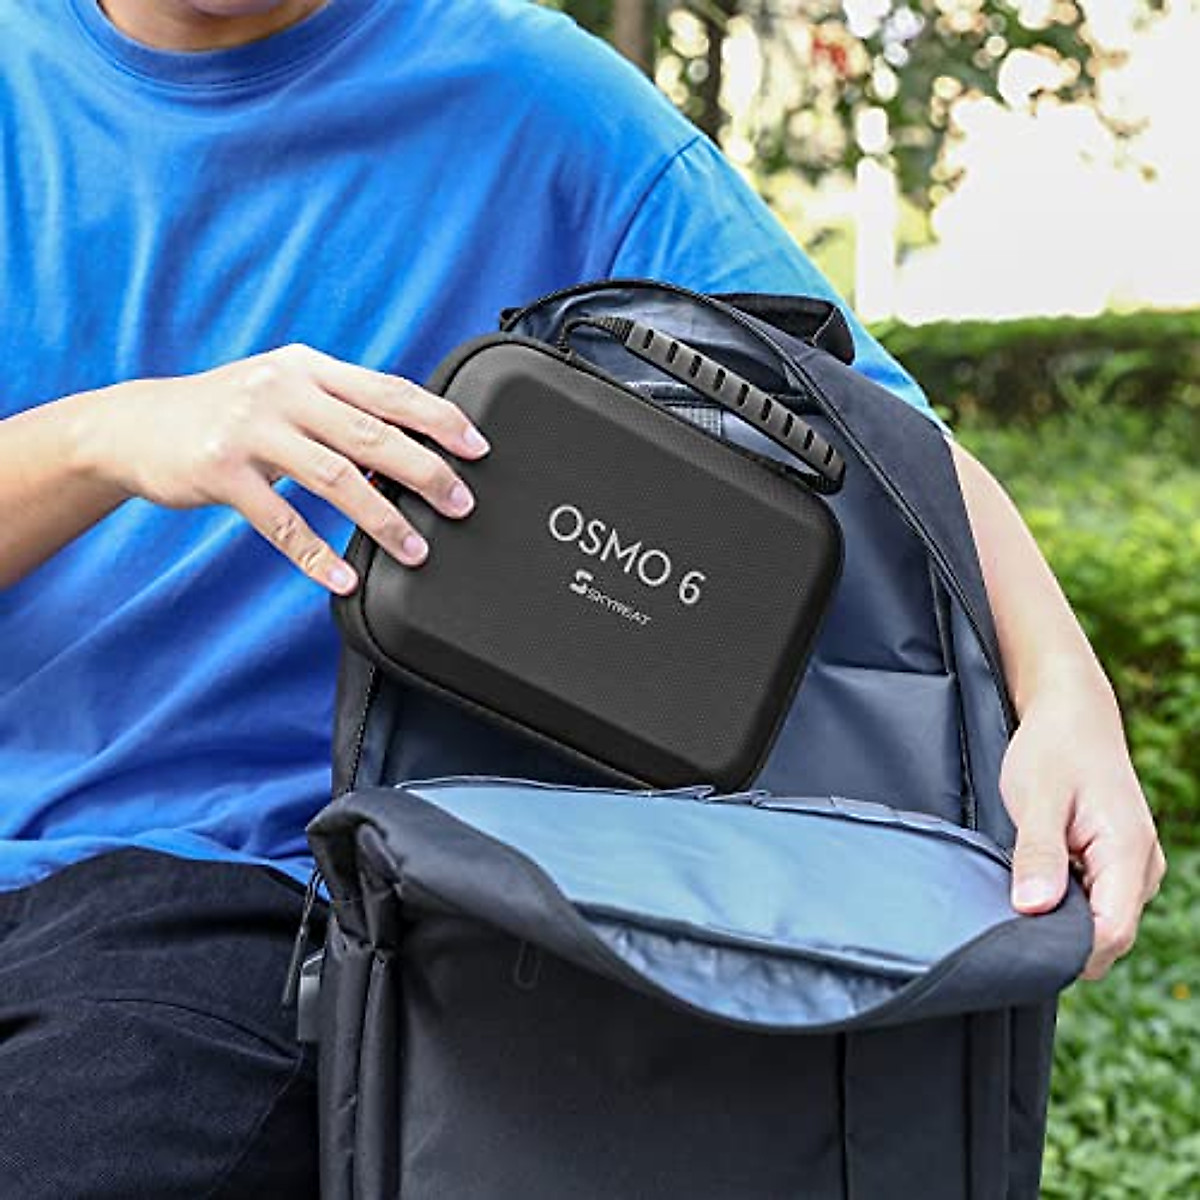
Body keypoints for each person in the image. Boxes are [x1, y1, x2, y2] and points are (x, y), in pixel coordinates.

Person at [0, 0, 1165, 1195]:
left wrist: (1068, 696)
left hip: (228, 899)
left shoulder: (531, 95)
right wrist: (106, 438)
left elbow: (879, 442)